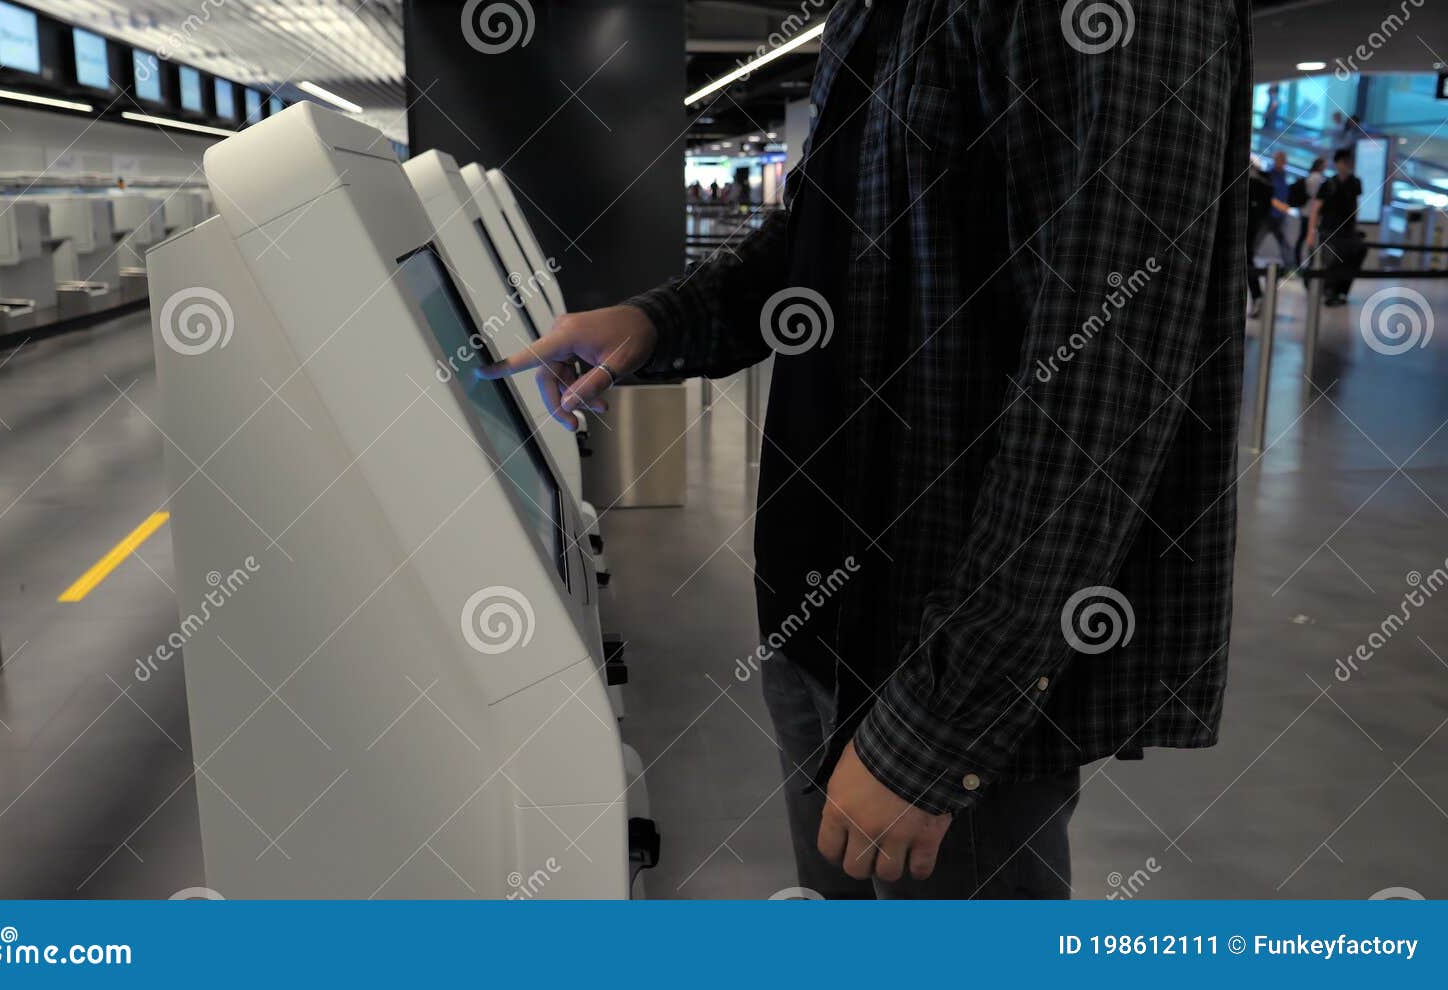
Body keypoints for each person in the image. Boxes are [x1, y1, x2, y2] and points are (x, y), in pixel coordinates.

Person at [482, 1, 1246, 898]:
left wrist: (941, 728)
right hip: (822, 610)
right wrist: (656, 322)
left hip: (943, 644)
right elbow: (820, 232)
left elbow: (1105, 387)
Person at [1306, 148, 1367, 306]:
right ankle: (1329, 291)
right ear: (1337, 163)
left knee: (1358, 253)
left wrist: (1355, 226)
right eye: (1344, 161)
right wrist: (1311, 232)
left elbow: (1355, 206)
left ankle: (1342, 291)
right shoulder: (1328, 184)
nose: (1348, 164)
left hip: (1348, 230)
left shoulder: (1355, 182)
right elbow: (1315, 209)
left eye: (1349, 161)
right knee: (1334, 259)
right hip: (1329, 230)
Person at [1289, 156, 1326, 273]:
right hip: (1314, 214)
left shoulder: (1308, 178)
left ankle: (1298, 262)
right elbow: (1319, 199)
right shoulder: (1319, 180)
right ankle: (1310, 264)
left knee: (1302, 239)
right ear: (1320, 166)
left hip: (1305, 212)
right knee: (1311, 240)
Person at [1258, 151, 1294, 268]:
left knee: (1284, 243)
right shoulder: (1269, 175)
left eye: (1283, 160)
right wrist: (1278, 205)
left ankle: (1290, 266)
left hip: (1280, 216)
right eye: (1280, 159)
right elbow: (1267, 195)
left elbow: (1285, 194)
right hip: (1268, 215)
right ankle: (1247, 261)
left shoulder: (1284, 176)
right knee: (1256, 240)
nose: (1282, 162)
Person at [1247, 161, 1273, 318]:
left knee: (1247, 261)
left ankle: (1257, 297)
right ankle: (1257, 297)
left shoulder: (1257, 183)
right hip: (1252, 228)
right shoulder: (1261, 182)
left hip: (1249, 229)